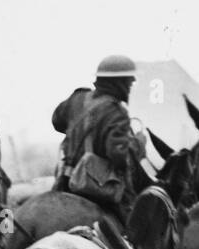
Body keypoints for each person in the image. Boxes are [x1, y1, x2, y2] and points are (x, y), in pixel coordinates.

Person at [53, 54, 149, 220]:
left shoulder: (77, 99)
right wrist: (138, 144)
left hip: (64, 183)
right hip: (93, 188)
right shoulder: (116, 112)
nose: (130, 88)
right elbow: (118, 155)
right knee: (134, 228)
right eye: (129, 83)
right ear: (120, 83)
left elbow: (57, 122)